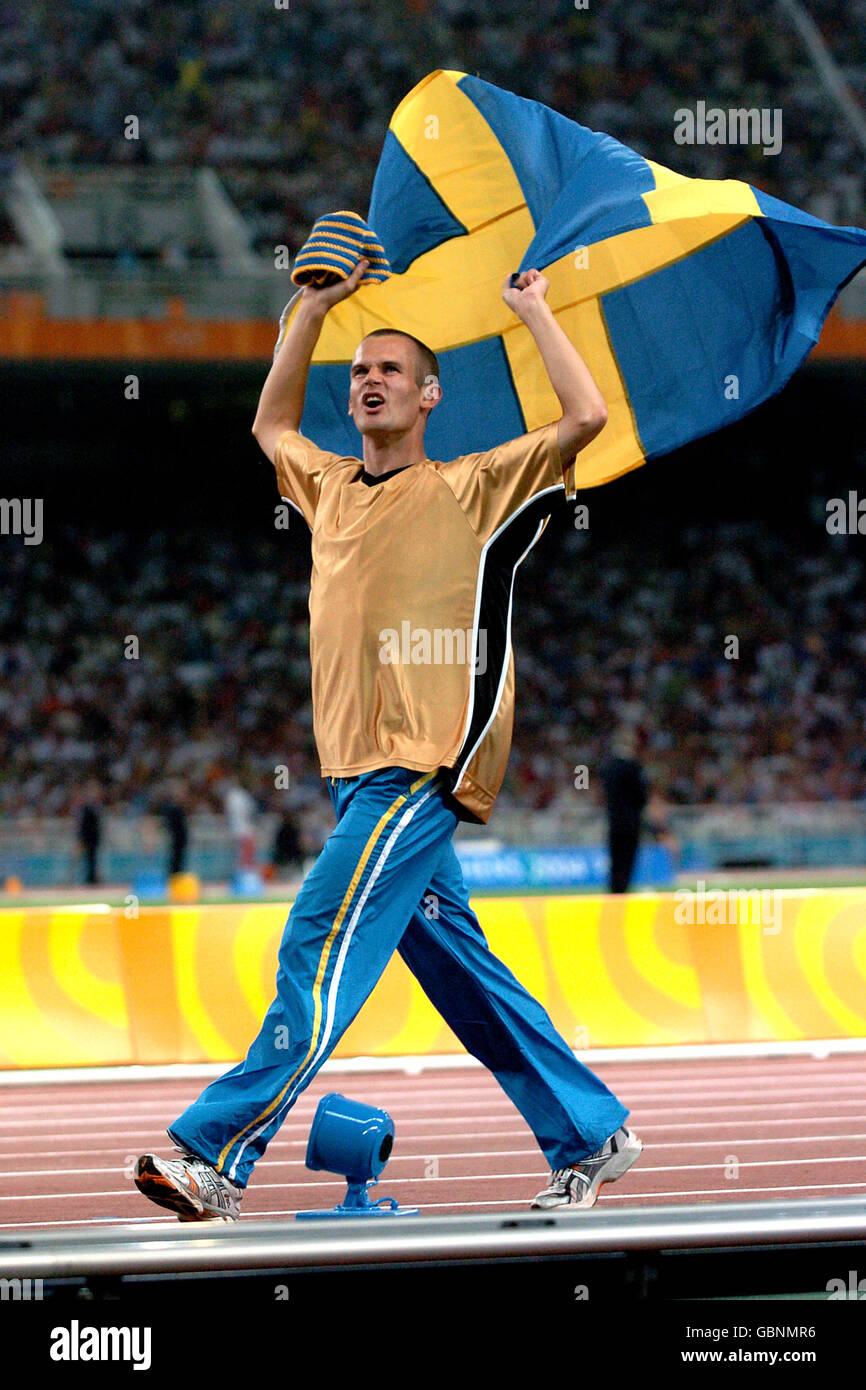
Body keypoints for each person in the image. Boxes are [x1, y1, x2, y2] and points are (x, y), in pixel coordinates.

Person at [133, 255, 642, 1220]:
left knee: (319, 942)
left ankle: (215, 1152)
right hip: (350, 774)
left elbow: (585, 423)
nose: (368, 380)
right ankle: (589, 1130)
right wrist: (313, 310)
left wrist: (532, 310)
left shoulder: (472, 487)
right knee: (465, 972)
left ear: (430, 397)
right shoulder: (325, 487)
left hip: (416, 769)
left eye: (391, 372)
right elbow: (270, 424)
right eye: (358, 371)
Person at [599, 727, 649, 893]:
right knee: (627, 860)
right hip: (631, 822)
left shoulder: (607, 767)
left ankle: (614, 892)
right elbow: (641, 796)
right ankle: (622, 892)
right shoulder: (633, 767)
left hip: (613, 820)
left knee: (615, 859)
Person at [77, 781, 102, 886]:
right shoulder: (87, 808)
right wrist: (81, 838)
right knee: (89, 860)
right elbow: (84, 825)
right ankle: (91, 879)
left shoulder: (95, 807)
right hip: (88, 838)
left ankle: (92, 878)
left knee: (92, 860)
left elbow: (96, 825)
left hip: (93, 838)